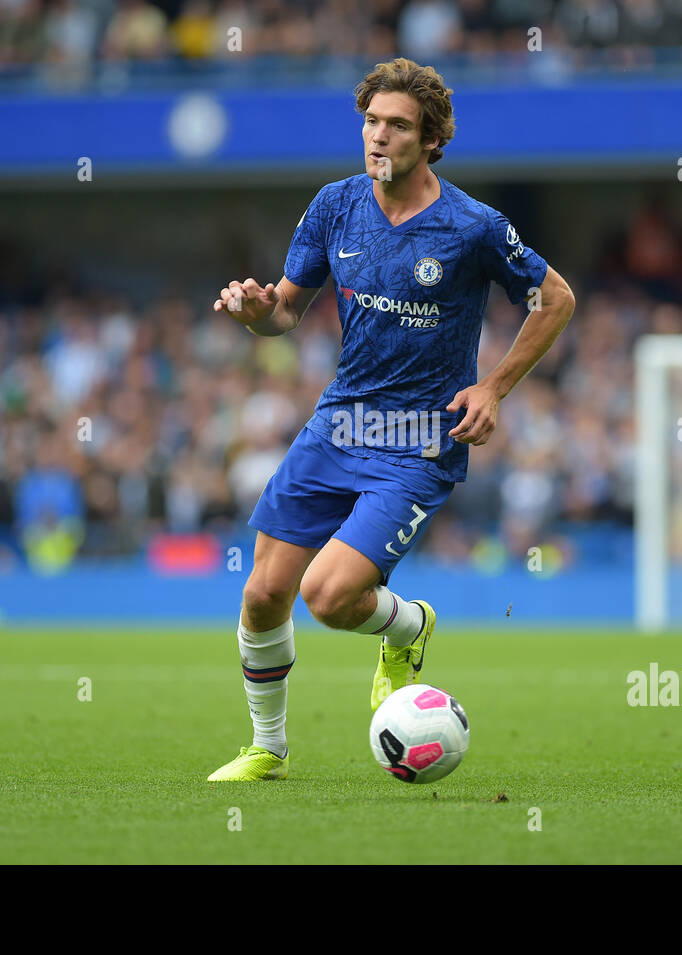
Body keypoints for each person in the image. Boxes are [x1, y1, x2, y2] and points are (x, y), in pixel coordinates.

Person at [207, 58, 576, 781]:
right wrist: (258, 313)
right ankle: (268, 748)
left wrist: (494, 386)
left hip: (416, 443)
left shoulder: (472, 226)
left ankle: (409, 627)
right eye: (372, 121)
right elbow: (285, 308)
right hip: (338, 425)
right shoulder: (334, 206)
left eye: (397, 125)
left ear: (430, 139)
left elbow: (555, 297)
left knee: (329, 595)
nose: (379, 136)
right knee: (261, 594)